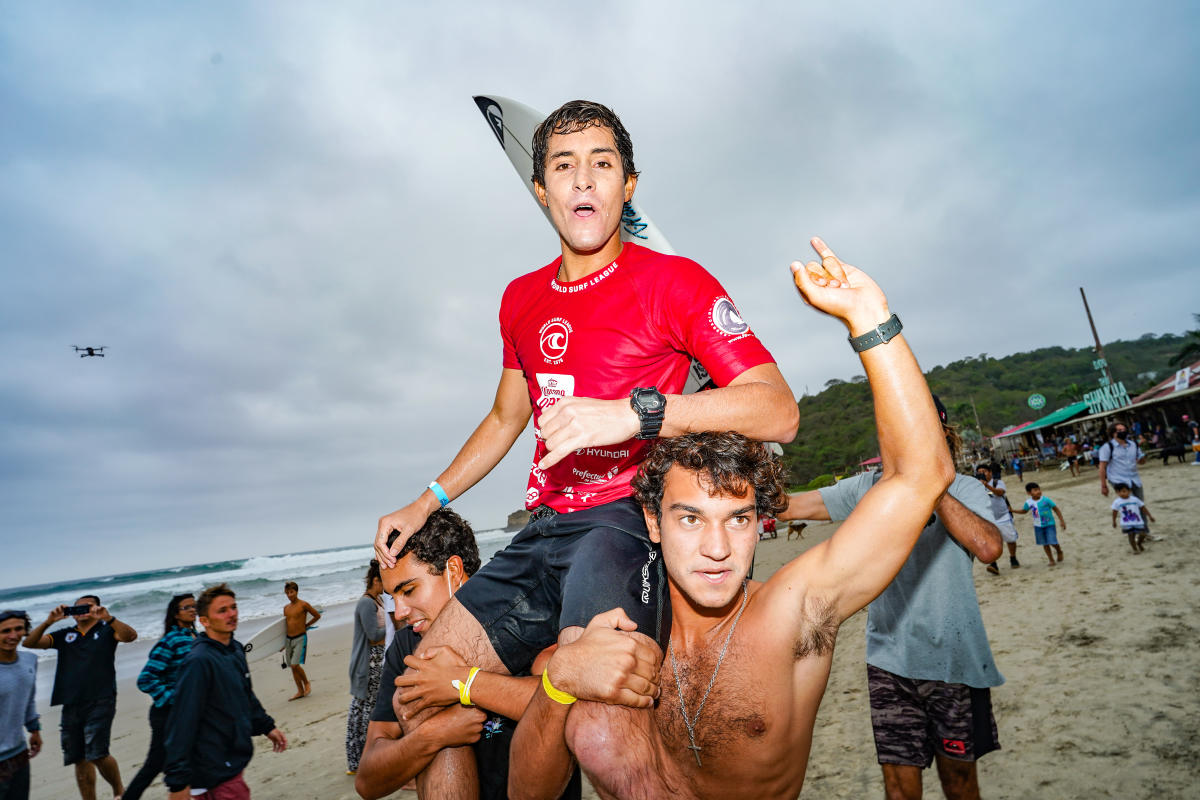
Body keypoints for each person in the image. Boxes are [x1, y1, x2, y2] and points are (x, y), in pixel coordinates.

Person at [373, 99, 798, 794]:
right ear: (542, 190)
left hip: (624, 521)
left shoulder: (675, 281)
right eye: (564, 166)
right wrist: (426, 502)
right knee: (421, 690)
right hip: (543, 529)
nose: (583, 179)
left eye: (602, 164)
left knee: (597, 728)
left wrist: (638, 413)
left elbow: (777, 409)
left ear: (628, 185)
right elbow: (506, 416)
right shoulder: (521, 299)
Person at [506, 238, 956, 799]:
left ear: (759, 522)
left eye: (738, 519)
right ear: (652, 521)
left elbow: (921, 476)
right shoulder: (610, 630)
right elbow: (527, 792)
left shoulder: (793, 615)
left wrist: (869, 320)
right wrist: (558, 685)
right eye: (690, 519)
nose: (717, 548)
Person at [776, 397, 1005, 800]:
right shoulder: (869, 487)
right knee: (898, 789)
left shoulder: (964, 488)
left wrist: (930, 483)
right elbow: (788, 508)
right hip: (889, 662)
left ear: (939, 434)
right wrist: (753, 464)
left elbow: (988, 547)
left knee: (960, 785)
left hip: (954, 662)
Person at [355, 507, 581, 800]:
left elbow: (572, 703)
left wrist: (462, 683)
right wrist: (434, 734)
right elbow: (368, 781)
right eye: (392, 598)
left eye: (408, 591)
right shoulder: (406, 646)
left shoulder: (524, 616)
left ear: (453, 571)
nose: (399, 613)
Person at [164, 583, 286, 800]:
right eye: (222, 610)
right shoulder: (199, 661)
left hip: (229, 758)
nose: (232, 614)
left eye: (233, 607)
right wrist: (178, 782)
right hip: (211, 767)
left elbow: (246, 694)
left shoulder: (235, 649)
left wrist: (266, 726)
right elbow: (182, 721)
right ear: (204, 621)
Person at [22, 596, 136, 800]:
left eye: (88, 606)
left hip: (101, 698)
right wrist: (49, 621)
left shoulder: (107, 630)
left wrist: (108, 618)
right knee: (78, 757)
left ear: (97, 608)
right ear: (72, 613)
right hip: (70, 701)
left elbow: (130, 636)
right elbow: (30, 643)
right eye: (78, 608)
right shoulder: (65, 634)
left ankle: (119, 791)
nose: (82, 610)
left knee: (98, 753)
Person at [124, 593, 199, 800]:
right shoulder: (171, 640)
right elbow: (146, 679)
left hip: (187, 713)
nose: (193, 610)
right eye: (186, 607)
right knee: (154, 764)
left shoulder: (196, 637)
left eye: (194, 606)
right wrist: (175, 699)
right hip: (166, 714)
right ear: (176, 614)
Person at [346, 561, 387, 774]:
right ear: (375, 580)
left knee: (365, 709)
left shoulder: (376, 600)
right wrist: (394, 627)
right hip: (368, 663)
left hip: (375, 661)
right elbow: (373, 635)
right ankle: (359, 760)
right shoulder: (366, 603)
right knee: (363, 712)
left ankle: (362, 759)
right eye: (383, 582)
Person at [0, 610, 41, 800]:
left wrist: (34, 729)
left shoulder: (29, 660)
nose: (13, 636)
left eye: (18, 629)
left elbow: (28, 698)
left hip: (19, 753)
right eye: (5, 631)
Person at [976, 464, 1020, 574]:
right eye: (979, 472)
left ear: (990, 472)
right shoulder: (976, 486)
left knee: (1010, 539)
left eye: (984, 471)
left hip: (1002, 516)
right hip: (987, 518)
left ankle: (1013, 557)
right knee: (990, 541)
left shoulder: (997, 482)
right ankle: (993, 564)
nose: (982, 474)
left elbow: (1000, 493)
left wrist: (987, 486)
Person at [282, 581, 320, 700]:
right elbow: (285, 626)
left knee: (295, 665)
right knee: (292, 667)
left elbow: (317, 615)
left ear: (297, 591)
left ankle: (306, 682)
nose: (289, 595)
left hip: (300, 638)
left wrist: (307, 625)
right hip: (289, 640)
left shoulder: (303, 605)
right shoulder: (286, 608)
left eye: (291, 592)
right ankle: (300, 691)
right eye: (287, 593)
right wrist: (282, 644)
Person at [1012, 482, 1067, 567]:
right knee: (1045, 544)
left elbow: (1056, 509)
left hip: (1049, 524)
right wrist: (1013, 510)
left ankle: (1059, 550)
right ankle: (1051, 559)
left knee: (1052, 541)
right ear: (1029, 493)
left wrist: (1062, 521)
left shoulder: (1046, 500)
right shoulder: (1028, 502)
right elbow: (1024, 511)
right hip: (1038, 526)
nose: (1038, 491)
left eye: (1039, 489)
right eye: (1035, 490)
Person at [1112, 483, 1155, 554]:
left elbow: (1143, 508)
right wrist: (1114, 521)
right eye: (1118, 492)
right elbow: (1114, 512)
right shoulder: (1117, 502)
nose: (1121, 493)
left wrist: (1150, 516)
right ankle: (1135, 549)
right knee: (1131, 536)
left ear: (1129, 491)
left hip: (1137, 521)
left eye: (1124, 491)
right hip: (1126, 523)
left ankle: (1139, 543)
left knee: (1143, 534)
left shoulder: (1135, 499)